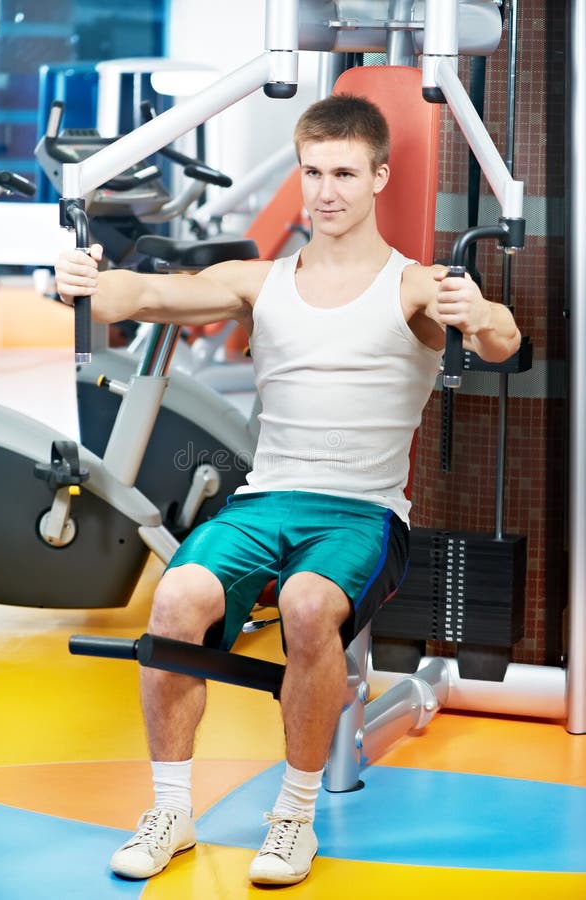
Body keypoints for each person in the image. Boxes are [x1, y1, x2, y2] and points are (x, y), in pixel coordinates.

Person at [55, 93, 521, 886]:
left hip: (363, 515)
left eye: (344, 172)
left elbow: (500, 337)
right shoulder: (259, 280)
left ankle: (293, 818)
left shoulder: (414, 286)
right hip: (263, 504)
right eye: (312, 171)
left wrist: (475, 310)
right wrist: (82, 280)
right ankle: (171, 811)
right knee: (174, 603)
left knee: (308, 606)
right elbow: (143, 297)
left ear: (378, 175)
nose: (325, 190)